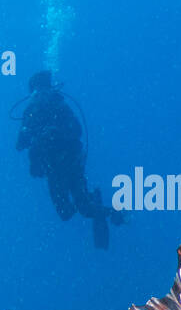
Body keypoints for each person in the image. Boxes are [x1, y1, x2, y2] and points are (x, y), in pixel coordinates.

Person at [16, 70, 117, 249]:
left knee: (85, 208)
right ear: (32, 93)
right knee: (65, 213)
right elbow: (19, 145)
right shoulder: (29, 113)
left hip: (72, 164)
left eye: (44, 91)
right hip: (52, 169)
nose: (41, 96)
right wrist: (28, 136)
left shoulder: (61, 107)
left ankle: (110, 211)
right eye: (37, 93)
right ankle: (95, 201)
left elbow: (77, 131)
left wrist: (57, 133)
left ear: (50, 89)